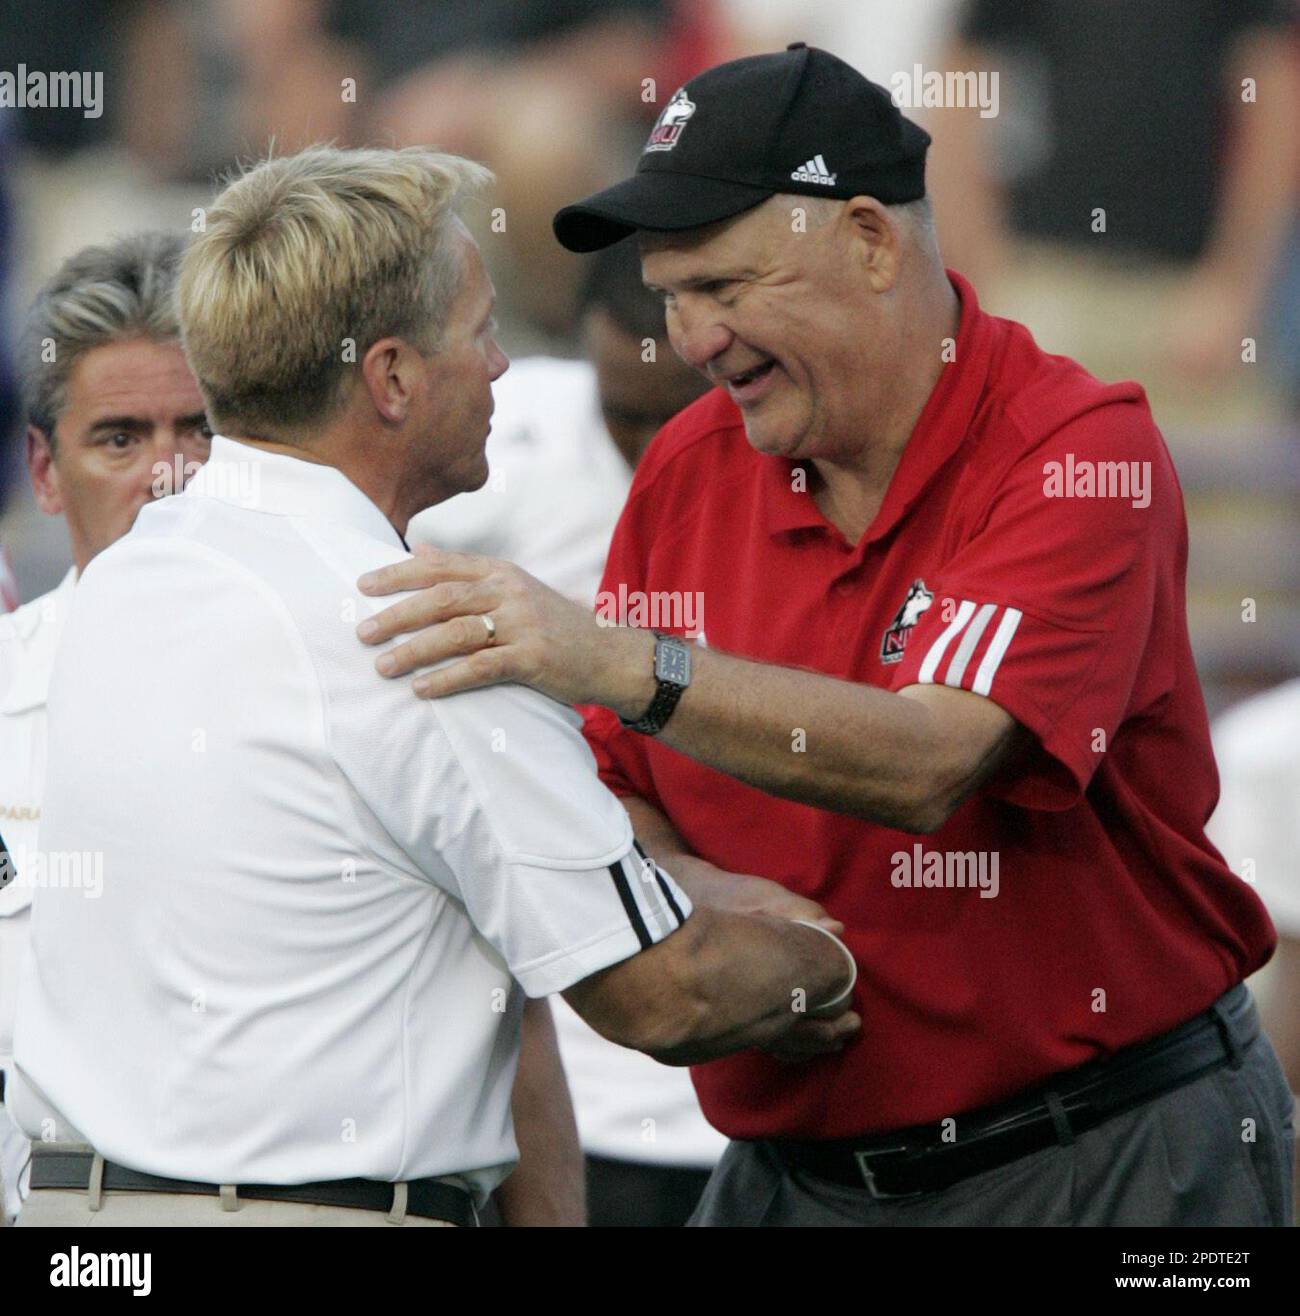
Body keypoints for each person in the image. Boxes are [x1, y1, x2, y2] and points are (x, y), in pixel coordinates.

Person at [355, 47, 1292, 1227]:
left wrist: (604, 653)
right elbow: (614, 782)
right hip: (796, 1178)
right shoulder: (693, 467)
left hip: (1097, 1156)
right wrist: (689, 885)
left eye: (725, 286)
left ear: (866, 237)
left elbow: (927, 761)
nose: (690, 336)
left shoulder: (1073, 451)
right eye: (671, 293)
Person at [9, 145, 858, 1228]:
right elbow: (664, 990)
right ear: (394, 378)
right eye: (481, 331)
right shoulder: (424, 637)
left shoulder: (125, 575)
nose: (503, 366)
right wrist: (822, 963)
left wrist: (686, 890)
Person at [410, 237, 721, 1226]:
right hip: (577, 1039)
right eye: (624, 416)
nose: (653, 450)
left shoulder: (803, 467)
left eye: (678, 414)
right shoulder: (504, 451)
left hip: (762, 1049)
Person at [0, 231, 210, 1227]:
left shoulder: (381, 678)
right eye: (120, 437)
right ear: (45, 470)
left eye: (201, 431)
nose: (168, 476)